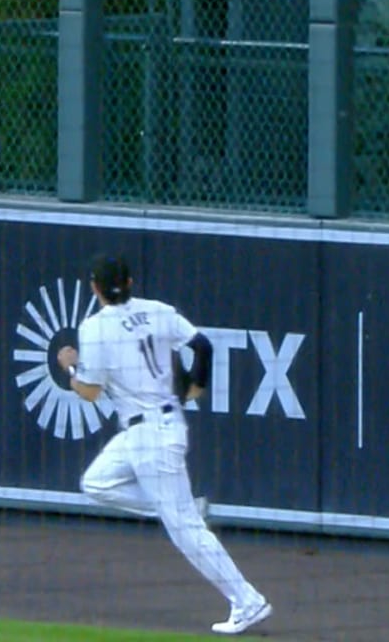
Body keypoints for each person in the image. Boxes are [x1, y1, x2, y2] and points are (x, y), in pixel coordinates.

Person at [55, 255, 272, 637]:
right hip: (155, 428)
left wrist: (70, 368)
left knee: (185, 529)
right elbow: (203, 346)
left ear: (95, 288)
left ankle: (247, 600)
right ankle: (189, 508)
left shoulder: (95, 328)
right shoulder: (158, 310)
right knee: (96, 483)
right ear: (131, 281)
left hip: (150, 437)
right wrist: (196, 388)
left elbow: (89, 392)